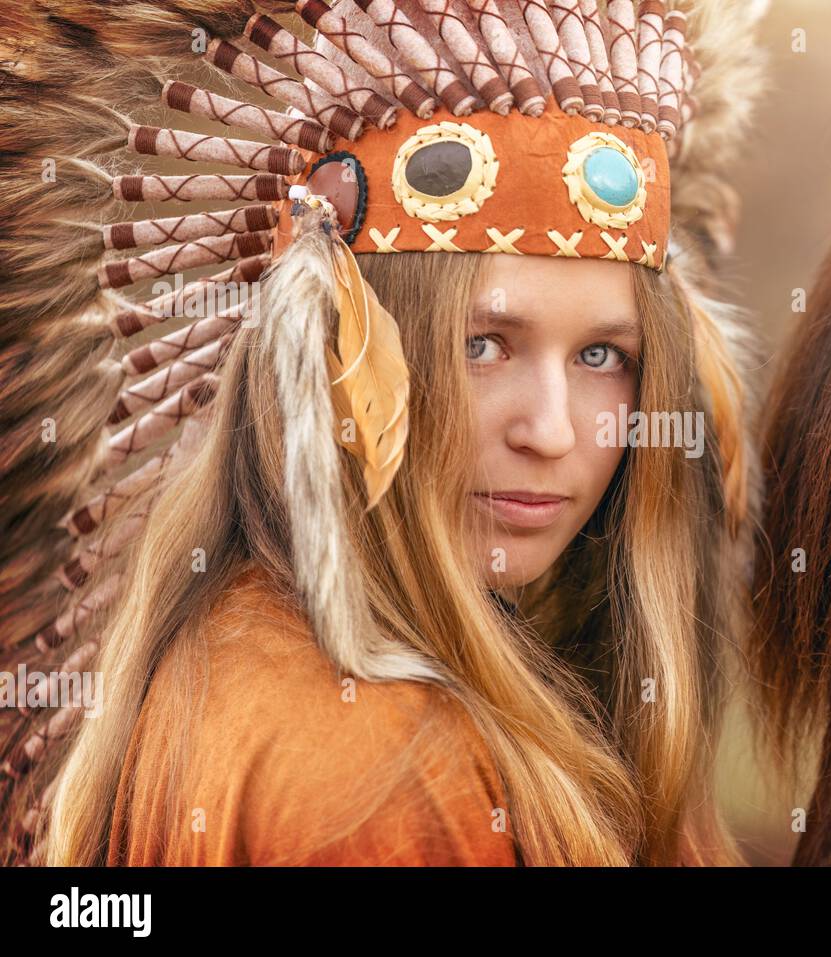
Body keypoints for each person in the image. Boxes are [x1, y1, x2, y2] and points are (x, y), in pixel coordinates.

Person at [0, 0, 768, 867]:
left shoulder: (247, 654)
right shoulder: (388, 770)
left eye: (602, 353)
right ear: (339, 355)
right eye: (482, 345)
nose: (552, 430)